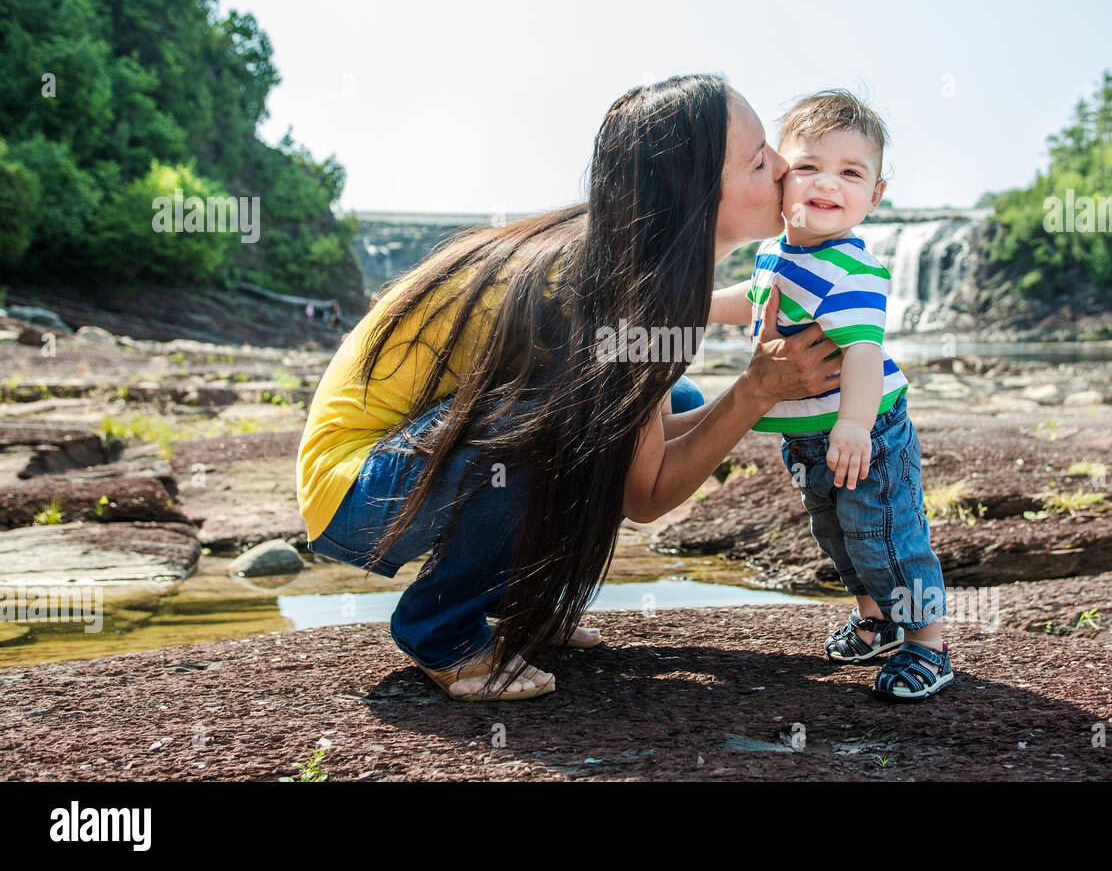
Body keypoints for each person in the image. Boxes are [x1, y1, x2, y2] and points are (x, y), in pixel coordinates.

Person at [295, 74, 844, 700]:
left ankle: (519, 600)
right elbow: (646, 495)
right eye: (757, 160)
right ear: (692, 196)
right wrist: (754, 391)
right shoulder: (612, 292)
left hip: (401, 465)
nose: (782, 166)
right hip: (357, 488)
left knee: (676, 406)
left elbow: (649, 447)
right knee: (554, 428)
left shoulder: (638, 263)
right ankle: (440, 631)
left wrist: (753, 391)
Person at [709, 89, 953, 700]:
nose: (828, 183)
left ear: (874, 196)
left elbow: (866, 355)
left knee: (888, 533)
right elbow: (758, 298)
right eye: (811, 166)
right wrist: (701, 304)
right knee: (838, 533)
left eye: (851, 173)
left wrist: (854, 424)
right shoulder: (777, 251)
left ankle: (929, 643)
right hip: (809, 435)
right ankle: (876, 621)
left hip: (865, 431)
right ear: (781, 174)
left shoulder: (853, 269)